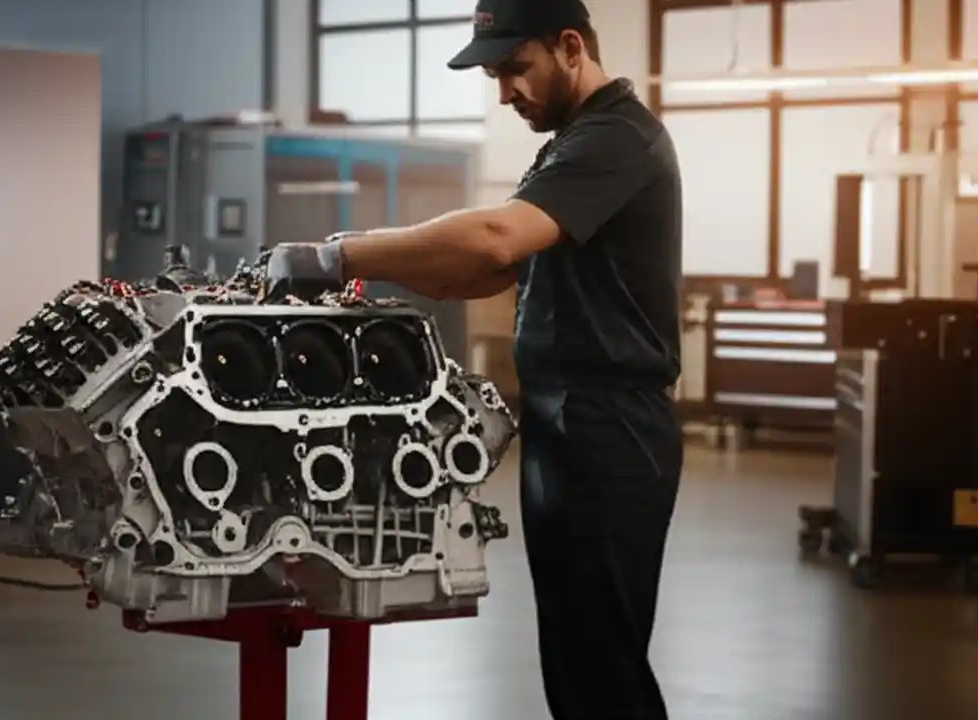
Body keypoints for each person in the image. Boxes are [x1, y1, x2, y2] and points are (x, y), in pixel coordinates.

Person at [267, 0, 683, 717]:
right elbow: (480, 274)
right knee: (577, 660)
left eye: (515, 70)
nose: (504, 92)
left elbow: (494, 237)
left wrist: (336, 255)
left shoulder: (617, 139)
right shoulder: (572, 140)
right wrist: (365, 279)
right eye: (494, 76)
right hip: (566, 420)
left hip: (612, 426)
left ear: (571, 46)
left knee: (603, 664)